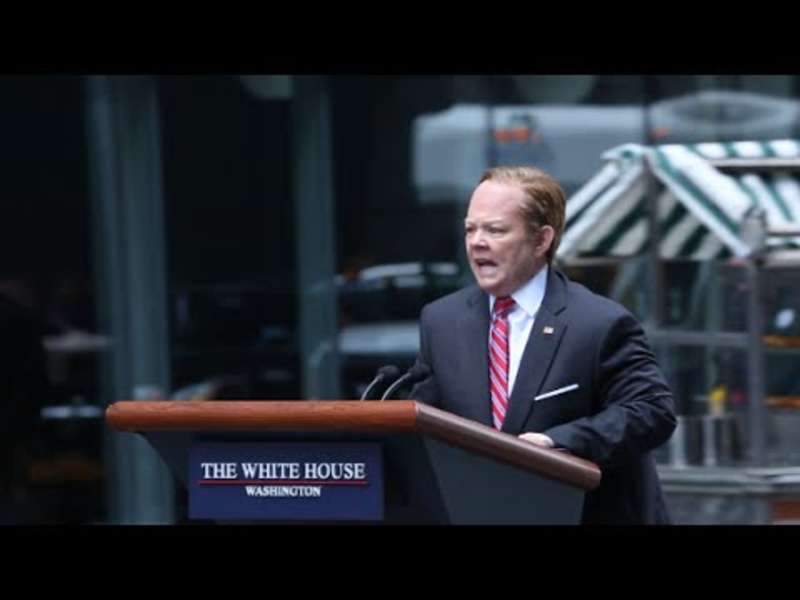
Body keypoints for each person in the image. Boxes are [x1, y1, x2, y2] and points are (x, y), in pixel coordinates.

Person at [410, 165, 677, 524]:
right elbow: (423, 422)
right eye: (470, 229)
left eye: (495, 230)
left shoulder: (598, 323)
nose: (477, 242)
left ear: (541, 240)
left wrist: (556, 443)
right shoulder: (440, 321)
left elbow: (652, 411)